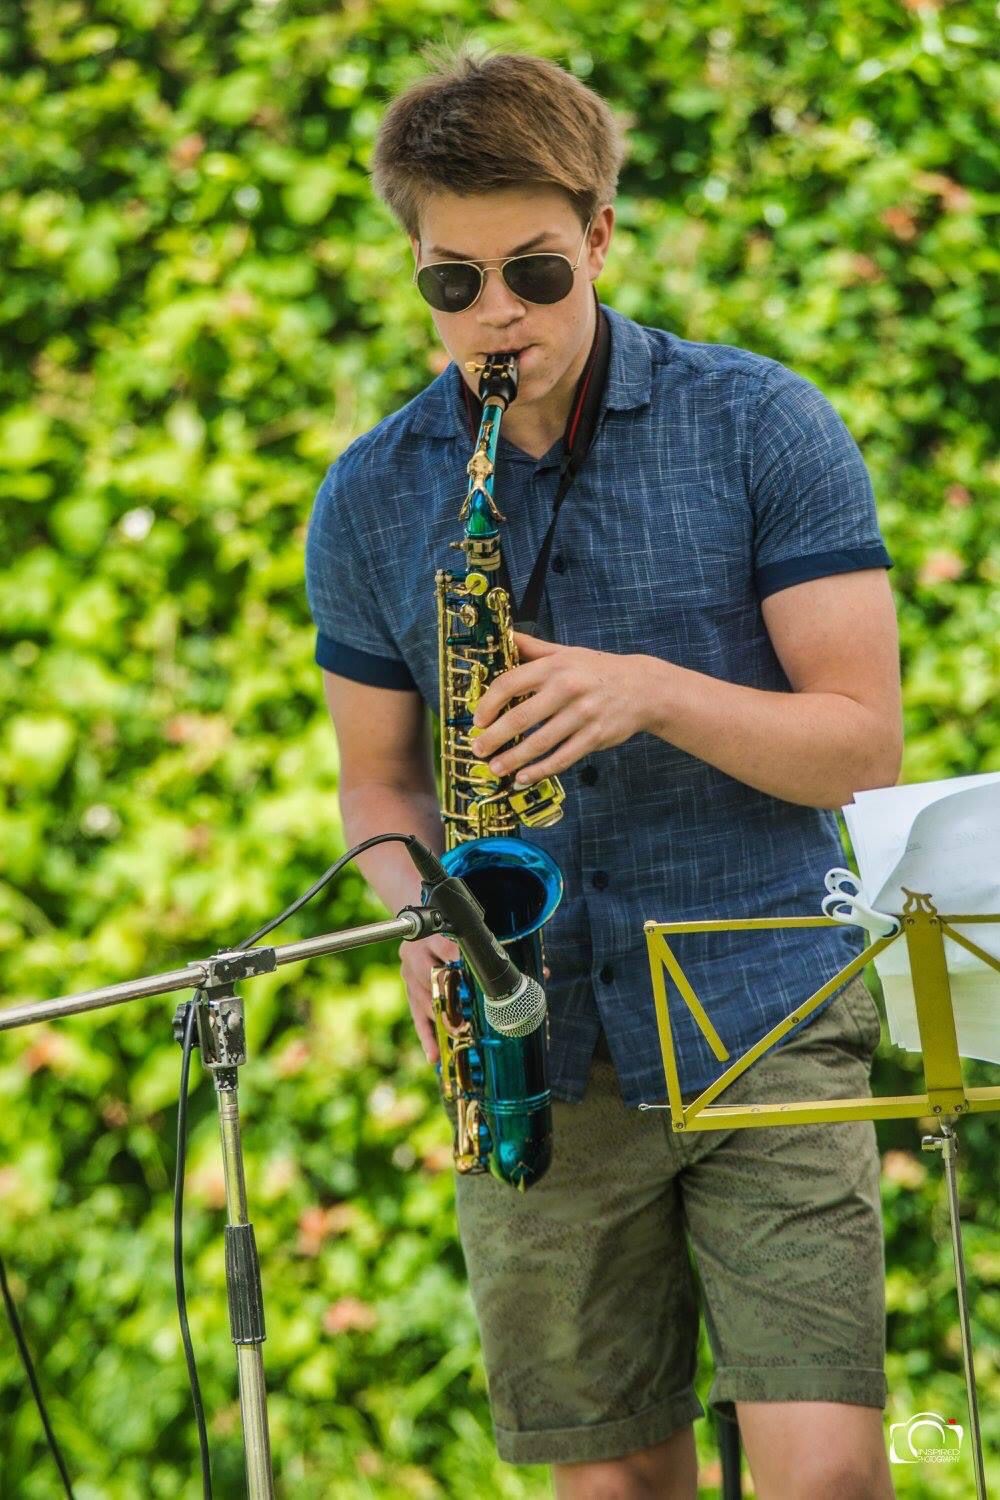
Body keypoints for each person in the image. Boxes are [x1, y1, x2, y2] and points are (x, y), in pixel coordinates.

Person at [305, 44, 902, 1500]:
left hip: (767, 1008)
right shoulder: (374, 493)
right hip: (538, 1035)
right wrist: (418, 928)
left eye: (537, 273)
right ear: (415, 268)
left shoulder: (764, 423)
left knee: (823, 1475)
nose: (496, 316)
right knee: (613, 1485)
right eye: (454, 283)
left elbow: (862, 738)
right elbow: (382, 789)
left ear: (603, 239)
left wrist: (650, 694)